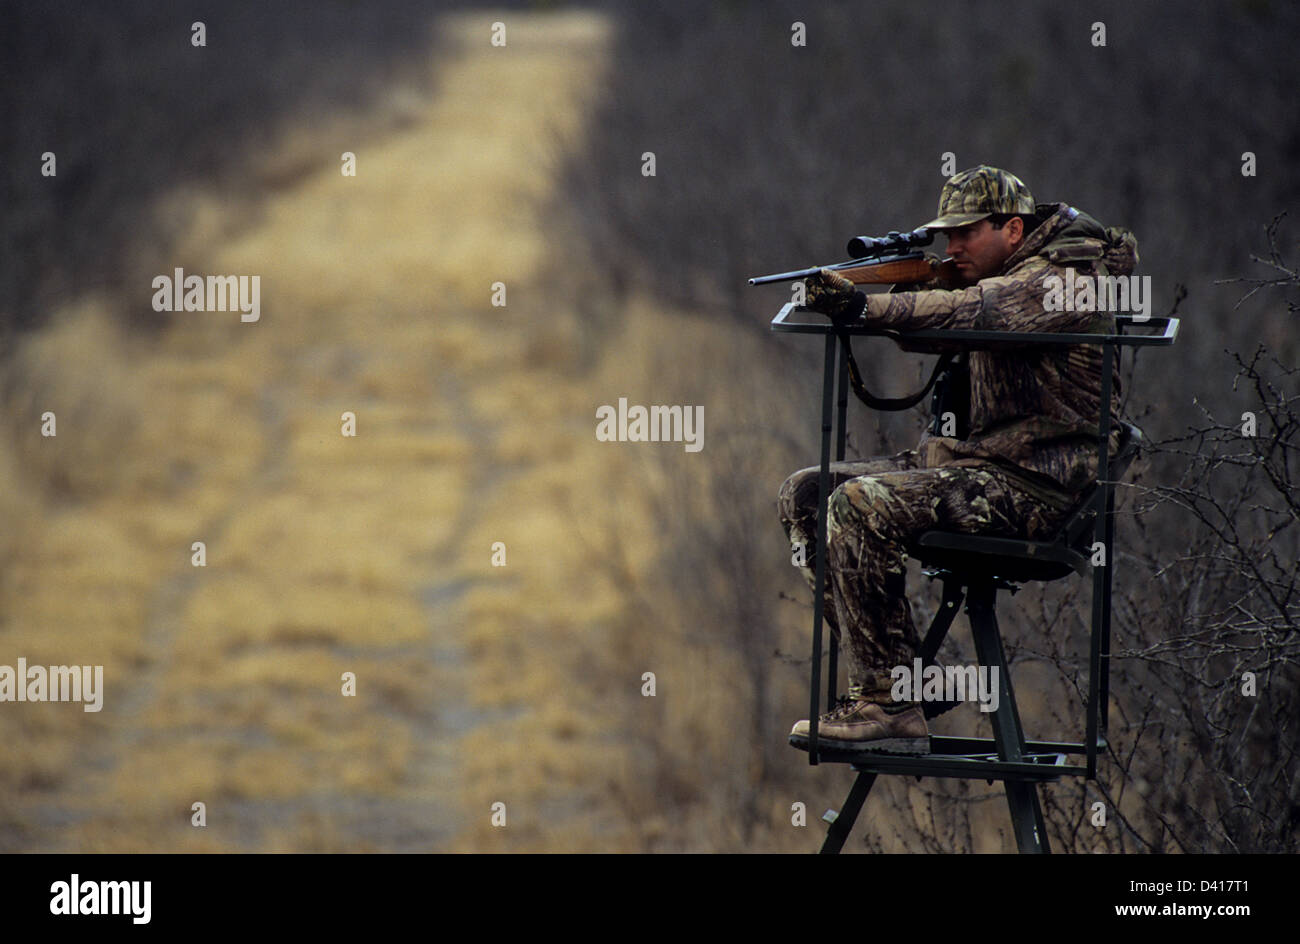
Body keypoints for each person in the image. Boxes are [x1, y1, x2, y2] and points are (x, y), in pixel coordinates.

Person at [778, 164, 1138, 752]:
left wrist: (865, 309)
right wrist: (898, 290)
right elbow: (944, 322)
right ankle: (909, 676)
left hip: (1040, 489)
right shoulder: (1006, 273)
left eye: (966, 233)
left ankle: (889, 705)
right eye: (947, 236)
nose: (953, 247)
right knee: (807, 493)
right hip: (983, 467)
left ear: (1014, 230)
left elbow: (980, 312)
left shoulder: (1070, 277)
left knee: (860, 503)